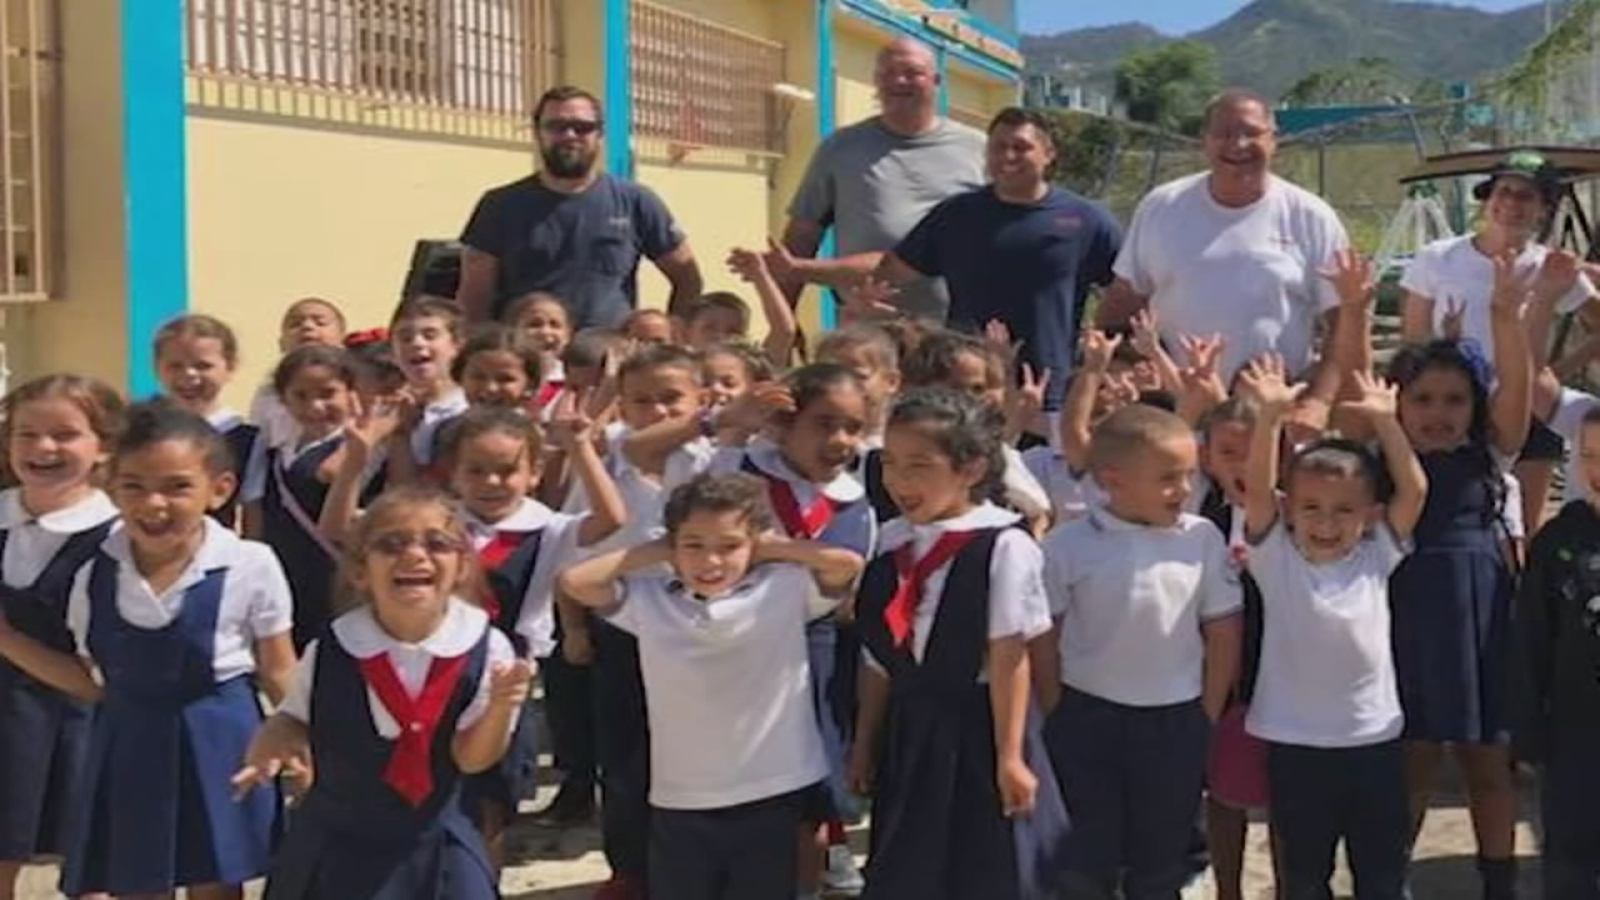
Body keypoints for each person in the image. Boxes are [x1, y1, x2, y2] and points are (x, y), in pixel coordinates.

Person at [0, 400, 296, 900]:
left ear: (218, 489)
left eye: (177, 487)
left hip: (220, 739)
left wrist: (299, 736)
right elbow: (92, 682)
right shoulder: (96, 572)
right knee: (134, 876)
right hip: (128, 739)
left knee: (217, 878)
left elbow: (278, 667)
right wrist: (6, 639)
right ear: (112, 489)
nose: (153, 504)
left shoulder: (249, 564)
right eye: (133, 486)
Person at [560, 472, 864, 900]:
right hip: (681, 793)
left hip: (772, 785)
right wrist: (658, 550)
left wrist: (771, 547)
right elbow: (577, 581)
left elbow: (845, 563)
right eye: (694, 545)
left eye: (729, 546)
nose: (711, 562)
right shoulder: (653, 599)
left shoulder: (784, 587)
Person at [238, 487, 533, 900]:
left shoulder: (486, 647)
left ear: (462, 566)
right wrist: (272, 740)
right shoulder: (333, 648)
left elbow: (472, 758)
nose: (414, 555)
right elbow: (295, 716)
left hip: (435, 840)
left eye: (437, 544)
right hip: (338, 841)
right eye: (391, 545)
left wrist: (503, 705)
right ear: (361, 570)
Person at [850, 388, 1068, 899]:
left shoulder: (1003, 544)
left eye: (920, 466)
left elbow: (1010, 652)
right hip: (912, 728)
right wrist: (864, 743)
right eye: (891, 465)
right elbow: (877, 657)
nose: (900, 481)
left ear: (969, 469)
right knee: (911, 866)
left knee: (988, 864)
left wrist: (1011, 755)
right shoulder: (890, 540)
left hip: (981, 725)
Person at [1238, 355, 1427, 900]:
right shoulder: (1275, 559)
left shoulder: (1376, 556)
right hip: (1297, 748)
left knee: (1383, 875)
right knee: (1302, 878)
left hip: (1373, 740)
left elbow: (1412, 492)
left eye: (1344, 510)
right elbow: (1254, 492)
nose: (1326, 522)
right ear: (1288, 509)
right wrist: (1270, 417)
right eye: (1312, 507)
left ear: (1369, 514)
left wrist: (1387, 422)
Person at [1038, 404, 1242, 899]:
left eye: (1190, 476)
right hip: (1088, 717)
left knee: (1163, 853)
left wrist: (1206, 714)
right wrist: (1055, 708)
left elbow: (1223, 628)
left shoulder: (1202, 538)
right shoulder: (1068, 544)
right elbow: (1044, 633)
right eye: (1169, 478)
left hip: (1174, 721)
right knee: (1085, 853)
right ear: (1114, 480)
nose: (1184, 489)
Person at [1387, 253, 1533, 900]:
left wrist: (1505, 315)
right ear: (1396, 404)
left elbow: (1519, 396)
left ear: (1476, 405)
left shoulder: (1487, 454)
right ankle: (1393, 880)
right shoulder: (1381, 459)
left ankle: (1498, 883)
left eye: (1454, 399)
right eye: (1421, 400)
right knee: (1412, 758)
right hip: (1406, 609)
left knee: (1487, 760)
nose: (1438, 413)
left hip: (1481, 612)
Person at [865, 107, 1122, 418]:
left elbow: (1126, 293)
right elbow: (894, 270)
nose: (1008, 156)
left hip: (1045, 390)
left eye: (1021, 147)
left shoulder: (1086, 220)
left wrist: (1107, 356)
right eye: (998, 147)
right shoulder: (956, 215)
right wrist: (856, 296)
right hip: (965, 387)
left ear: (1049, 153)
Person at [1401, 148, 1598, 535]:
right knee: (1449, 519)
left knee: (1520, 533)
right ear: (1487, 200)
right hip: (1452, 413)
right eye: (1503, 192)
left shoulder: (1554, 267)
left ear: (1544, 207)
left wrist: (1552, 374)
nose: (1511, 204)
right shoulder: (1437, 258)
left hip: (1527, 413)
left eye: (1526, 196)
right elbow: (1414, 345)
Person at [1099, 89, 1349, 383]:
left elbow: (1344, 322)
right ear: (1204, 140)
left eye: (1252, 133)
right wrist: (1114, 372)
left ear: (1273, 140)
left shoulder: (1312, 216)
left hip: (1268, 407)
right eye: (1224, 133)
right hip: (1173, 403)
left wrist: (1317, 401)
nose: (1238, 144)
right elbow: (1124, 301)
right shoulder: (1161, 206)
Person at [0, 376, 123, 900]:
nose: (43, 448)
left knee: (86, 864)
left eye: (64, 434)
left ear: (104, 446)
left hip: (76, 721)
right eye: (26, 434)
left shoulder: (118, 538)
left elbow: (104, 672)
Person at [773, 36, 985, 322]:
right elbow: (802, 236)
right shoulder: (840, 148)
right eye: (888, 73)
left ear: (936, 80)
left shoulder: (978, 148)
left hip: (954, 329)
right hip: (865, 333)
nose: (899, 81)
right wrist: (785, 318)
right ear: (876, 81)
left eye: (912, 73)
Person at [456, 85, 703, 326]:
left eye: (582, 128)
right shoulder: (499, 206)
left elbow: (687, 278)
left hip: (608, 360)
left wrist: (676, 337)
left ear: (600, 135)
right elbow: (475, 296)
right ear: (537, 132)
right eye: (556, 126)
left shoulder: (636, 202)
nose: (569, 136)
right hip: (527, 358)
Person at [1518, 406, 1600, 899]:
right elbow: (1531, 641)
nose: (1598, 469)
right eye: (1589, 455)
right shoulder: (1558, 542)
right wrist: (1527, 732)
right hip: (1575, 737)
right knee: (1571, 865)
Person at [243, 345, 365, 651]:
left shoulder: (359, 450)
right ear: (283, 399)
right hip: (284, 578)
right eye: (300, 395)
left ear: (351, 393)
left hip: (334, 580)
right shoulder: (275, 453)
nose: (315, 406)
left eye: (328, 393)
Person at [153, 314, 259, 529]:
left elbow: (252, 511)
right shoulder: (141, 429)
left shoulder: (247, 438)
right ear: (157, 367)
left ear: (229, 367)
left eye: (203, 365)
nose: (189, 374)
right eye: (175, 366)